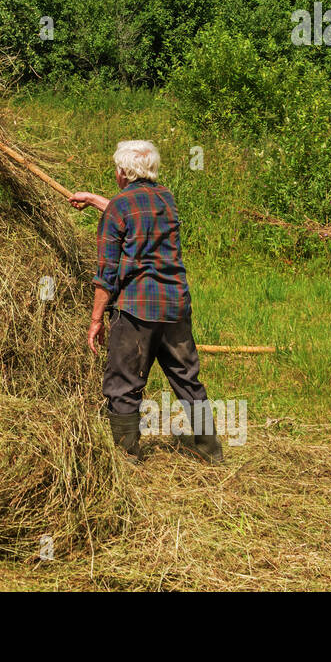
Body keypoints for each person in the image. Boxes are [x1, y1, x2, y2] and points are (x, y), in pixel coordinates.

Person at [68, 140, 223, 464]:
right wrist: (97, 200)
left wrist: (96, 319)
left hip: (136, 312)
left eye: (116, 168)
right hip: (174, 306)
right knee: (187, 380)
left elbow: (106, 273)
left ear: (123, 172)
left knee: (123, 385)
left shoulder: (119, 209)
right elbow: (138, 219)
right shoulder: (165, 199)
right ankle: (210, 452)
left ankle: (127, 458)